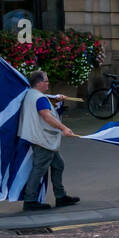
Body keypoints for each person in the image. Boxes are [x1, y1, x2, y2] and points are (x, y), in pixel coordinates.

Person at [18, 70, 79, 211]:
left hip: (39, 137)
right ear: (39, 83)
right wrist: (63, 128)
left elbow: (44, 104)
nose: (48, 83)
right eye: (46, 81)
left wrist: (56, 100)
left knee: (58, 164)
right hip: (43, 139)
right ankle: (30, 200)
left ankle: (60, 196)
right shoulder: (40, 99)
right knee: (39, 169)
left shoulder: (30, 94)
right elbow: (46, 116)